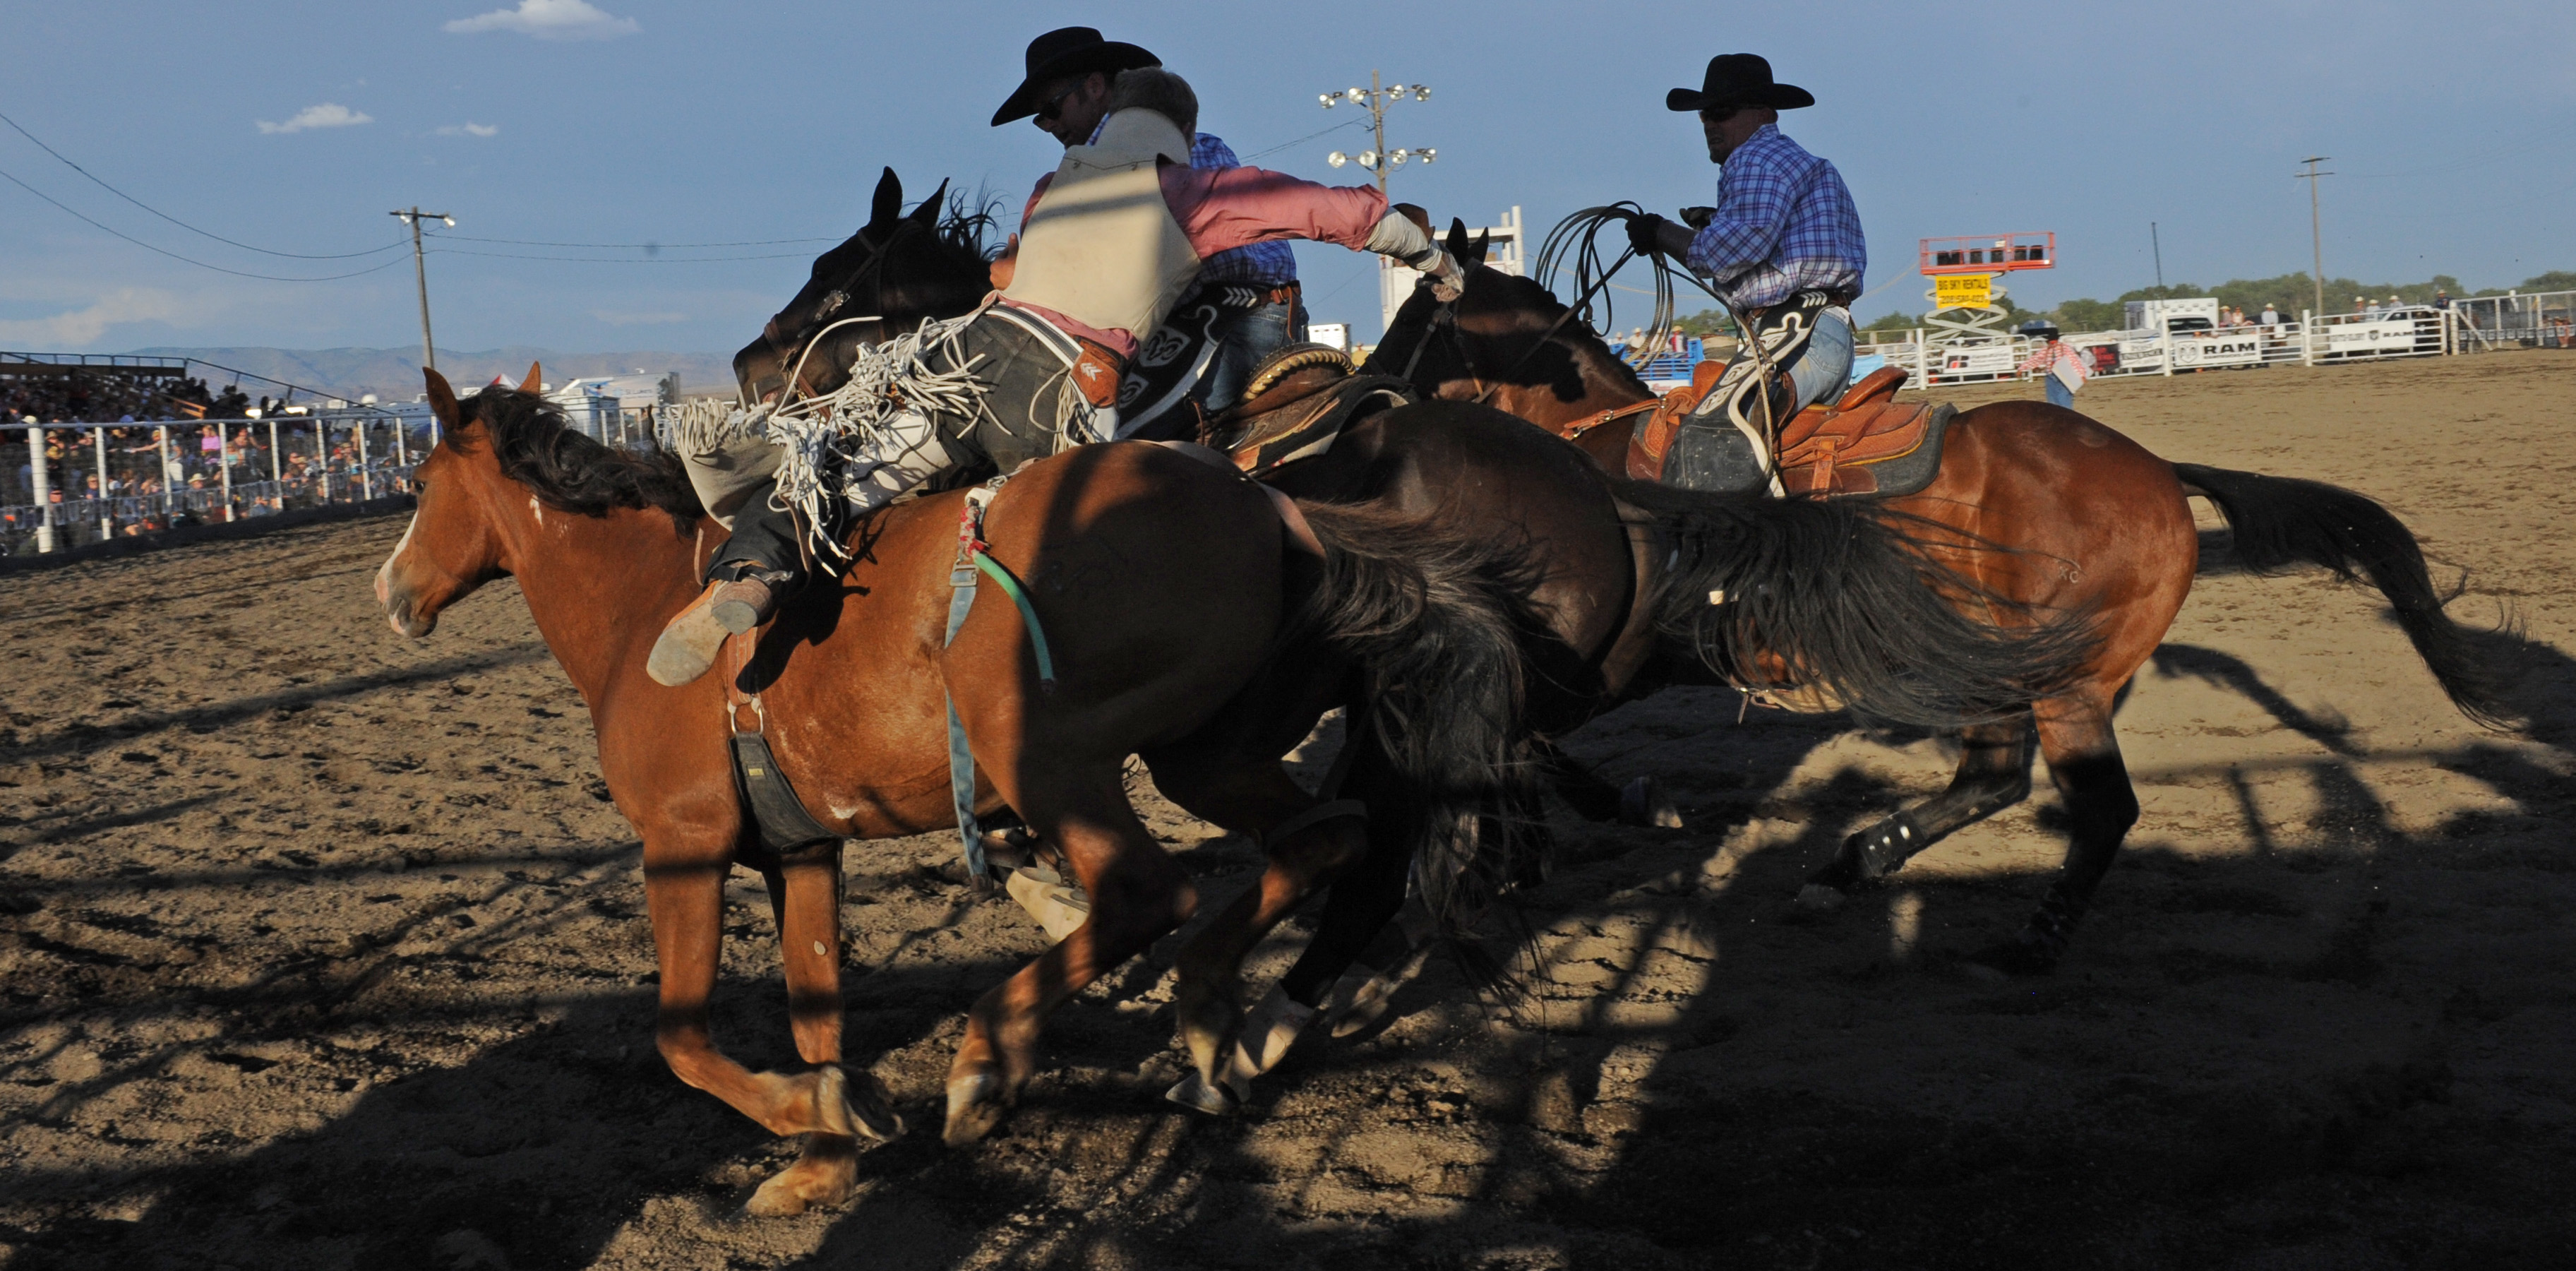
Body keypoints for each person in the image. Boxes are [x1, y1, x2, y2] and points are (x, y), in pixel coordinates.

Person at [648, 63, 1466, 686]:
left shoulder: (1052, 184)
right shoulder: (1192, 191)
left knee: (840, 473)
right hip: (1061, 391)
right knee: (1080, 535)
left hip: (964, 363)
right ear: (1178, 130)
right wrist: (1426, 256)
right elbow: (1340, 214)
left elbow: (1004, 275)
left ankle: (749, 578)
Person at [993, 27, 1303, 417]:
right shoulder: (1094, 177)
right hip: (1190, 330)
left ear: (1093, 86)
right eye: (1042, 119)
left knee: (1116, 436)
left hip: (1242, 322)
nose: (1051, 125)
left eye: (1052, 109)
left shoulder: (1181, 154)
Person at [1623, 54, 1864, 495]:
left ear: (1763, 114)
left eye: (1722, 113)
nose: (1710, 124)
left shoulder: (1756, 159)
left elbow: (1729, 251)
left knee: (1711, 433)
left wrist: (1660, 232)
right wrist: (1710, 223)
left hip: (1797, 333)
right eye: (1705, 115)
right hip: (1817, 332)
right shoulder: (1799, 163)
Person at [2017, 323, 2086, 408]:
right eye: (2051, 341)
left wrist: (2081, 374)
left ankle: (2067, 417)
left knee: (2064, 399)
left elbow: (2075, 361)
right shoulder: (2046, 350)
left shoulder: (2065, 348)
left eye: (2054, 341)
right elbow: (2036, 359)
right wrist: (2022, 368)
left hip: (2064, 376)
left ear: (2057, 340)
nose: (2052, 343)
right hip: (2051, 377)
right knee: (2052, 401)